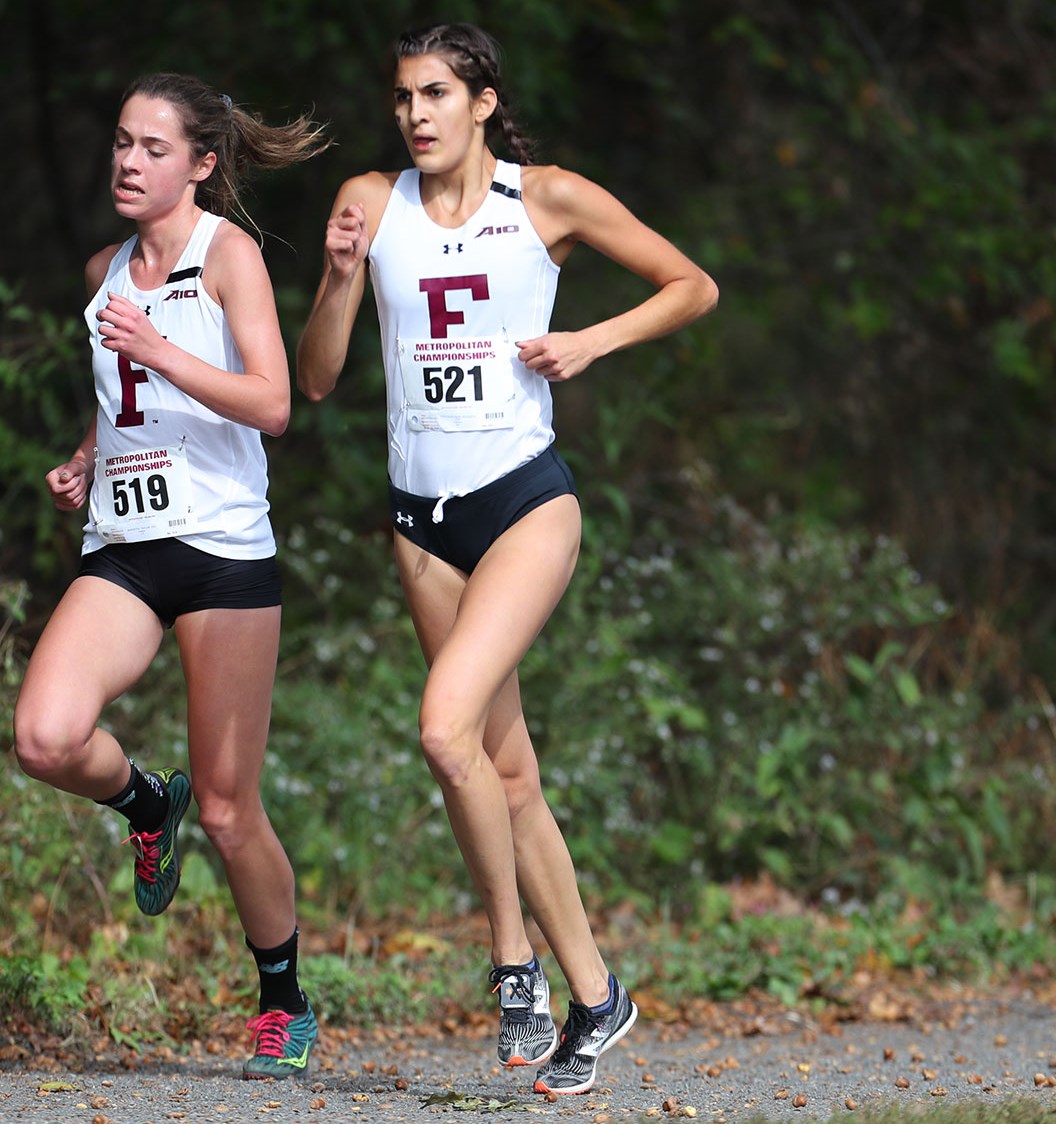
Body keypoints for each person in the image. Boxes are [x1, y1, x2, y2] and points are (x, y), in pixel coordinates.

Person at [296, 22, 718, 1097]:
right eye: (400, 97)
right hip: (418, 520)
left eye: (434, 93)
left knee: (442, 730)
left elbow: (690, 285)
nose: (414, 114)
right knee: (502, 766)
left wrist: (589, 342)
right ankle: (596, 995)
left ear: (482, 101)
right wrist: (339, 277)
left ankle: (511, 960)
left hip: (525, 502)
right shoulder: (367, 200)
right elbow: (312, 380)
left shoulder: (546, 199)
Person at [12, 73, 330, 1081]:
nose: (125, 161)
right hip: (125, 545)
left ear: (199, 164)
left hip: (225, 552)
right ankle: (147, 804)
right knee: (44, 735)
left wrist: (158, 346)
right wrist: (85, 457)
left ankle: (282, 995)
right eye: (119, 142)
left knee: (234, 812)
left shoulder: (227, 254)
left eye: (151, 148)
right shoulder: (104, 268)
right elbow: (125, 400)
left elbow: (272, 402)